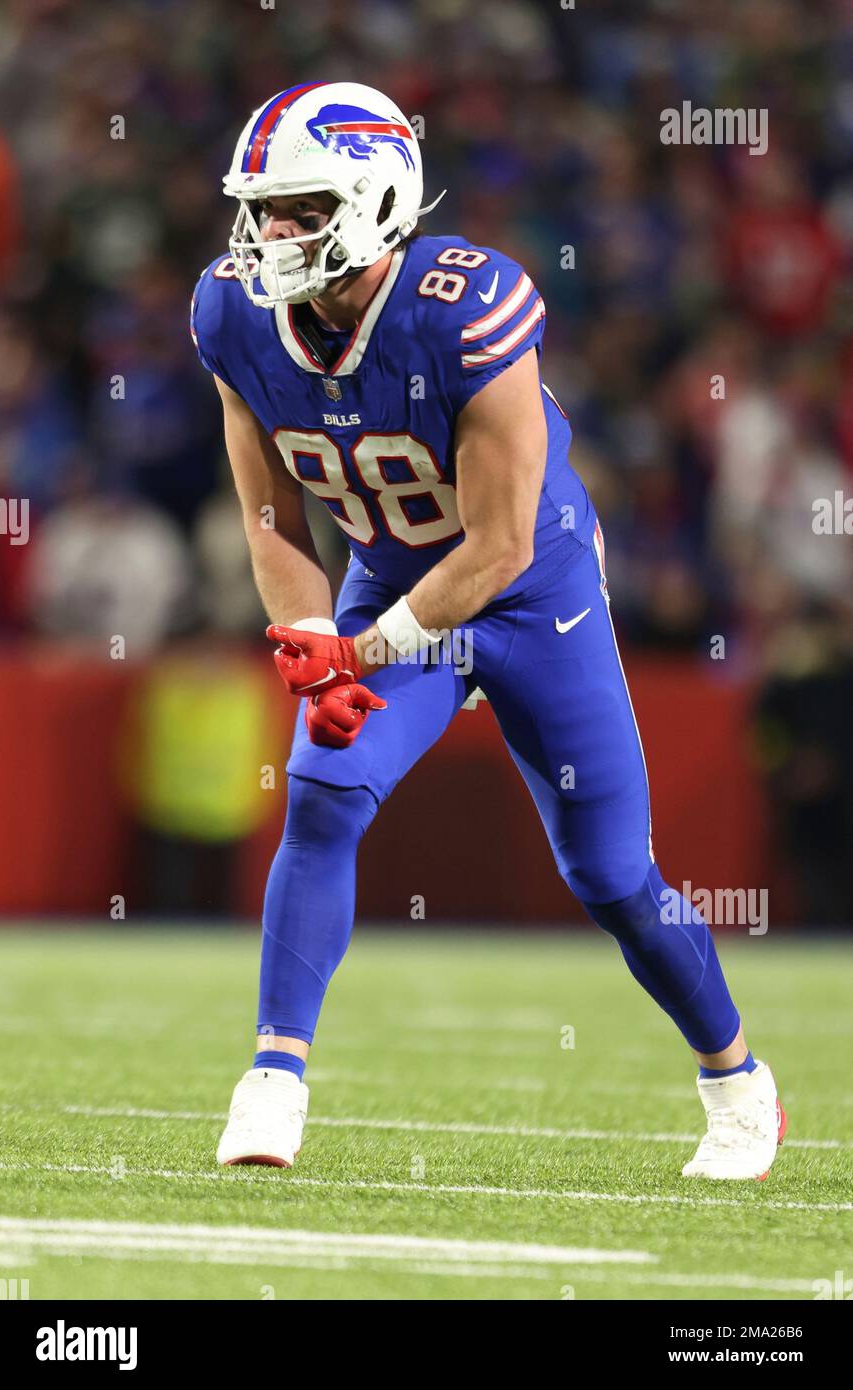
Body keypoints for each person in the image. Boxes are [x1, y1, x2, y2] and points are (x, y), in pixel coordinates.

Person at [191, 82, 785, 1180]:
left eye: (301, 207)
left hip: (531, 595)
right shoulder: (233, 313)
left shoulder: (467, 307)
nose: (271, 233)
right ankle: (273, 1077)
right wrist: (309, 638)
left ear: (373, 201)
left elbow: (500, 547)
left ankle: (736, 1076)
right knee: (320, 790)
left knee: (611, 875)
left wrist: (361, 650)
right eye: (263, 209)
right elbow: (271, 513)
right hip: (390, 574)